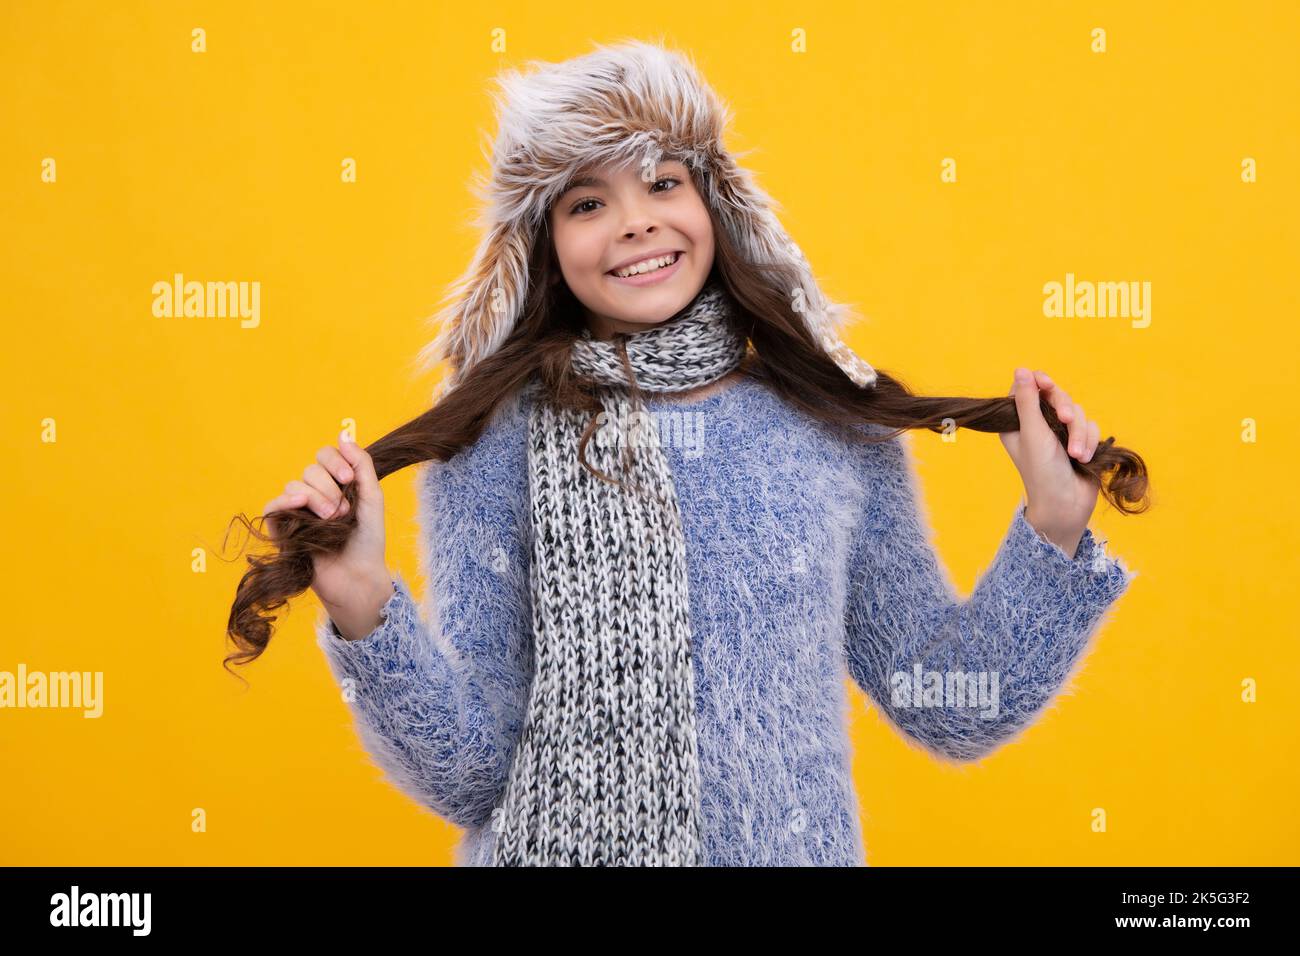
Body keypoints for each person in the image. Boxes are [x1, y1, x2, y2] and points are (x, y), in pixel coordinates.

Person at [247, 39, 1147, 866]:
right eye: (589, 202)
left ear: (716, 204)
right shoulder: (495, 446)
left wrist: (1053, 530)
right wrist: (365, 605)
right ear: (547, 246)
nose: (636, 223)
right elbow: (474, 779)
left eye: (663, 182)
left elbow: (949, 707)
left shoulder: (827, 424)